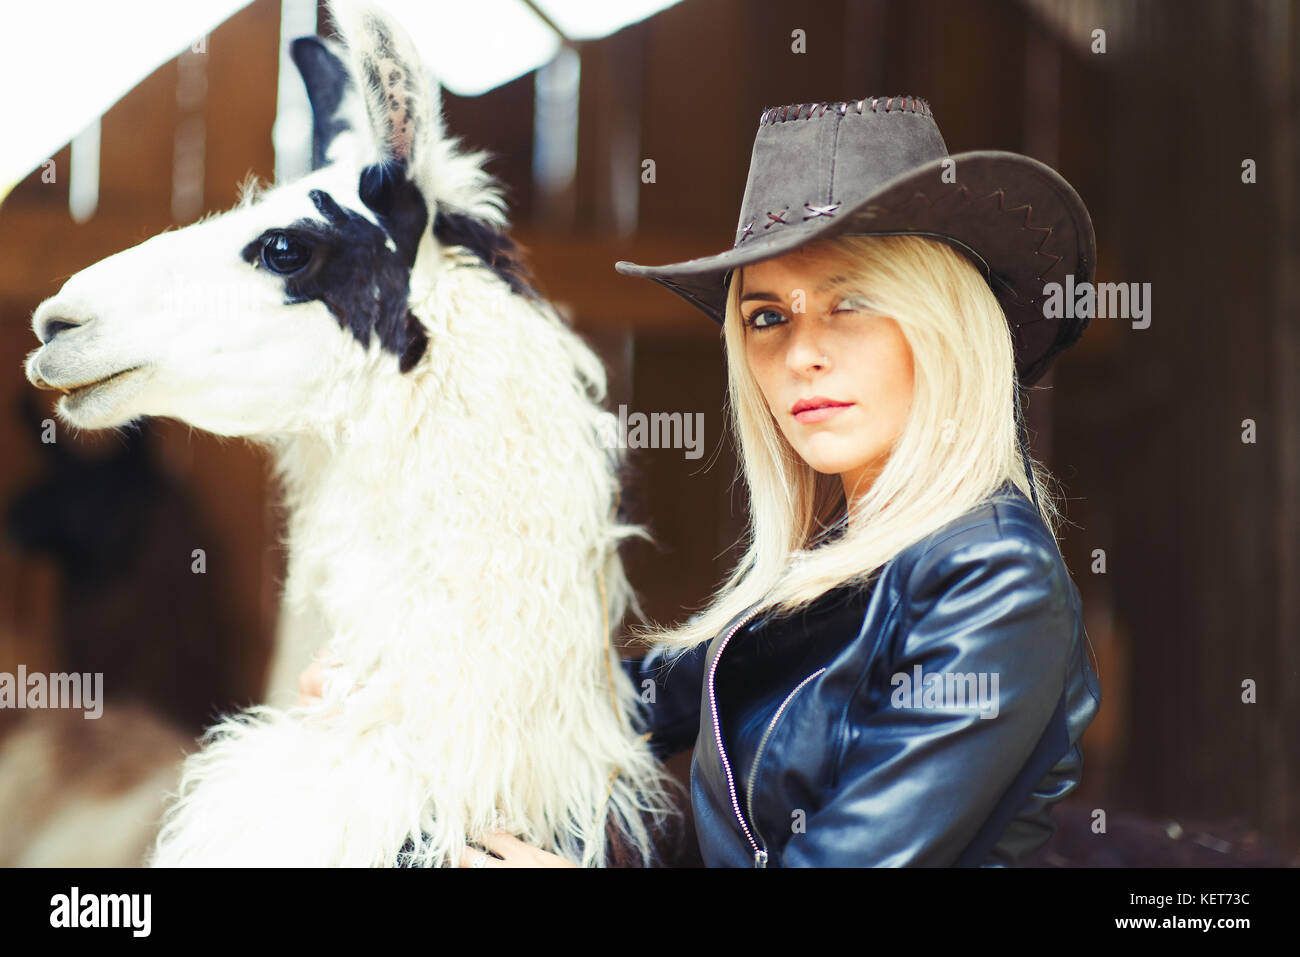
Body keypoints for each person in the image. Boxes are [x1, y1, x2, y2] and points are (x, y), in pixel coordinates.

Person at [305, 95, 1104, 867]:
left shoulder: (996, 578)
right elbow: (628, 702)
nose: (800, 354)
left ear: (945, 324)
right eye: (766, 316)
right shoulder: (834, 559)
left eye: (849, 303)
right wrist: (407, 694)